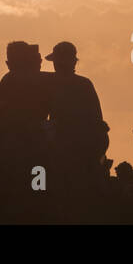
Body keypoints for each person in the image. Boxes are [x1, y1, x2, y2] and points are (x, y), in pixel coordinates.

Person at [44, 41, 109, 169]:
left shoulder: (50, 83)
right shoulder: (84, 84)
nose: (56, 65)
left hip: (65, 148)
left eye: (58, 62)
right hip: (82, 149)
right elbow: (98, 120)